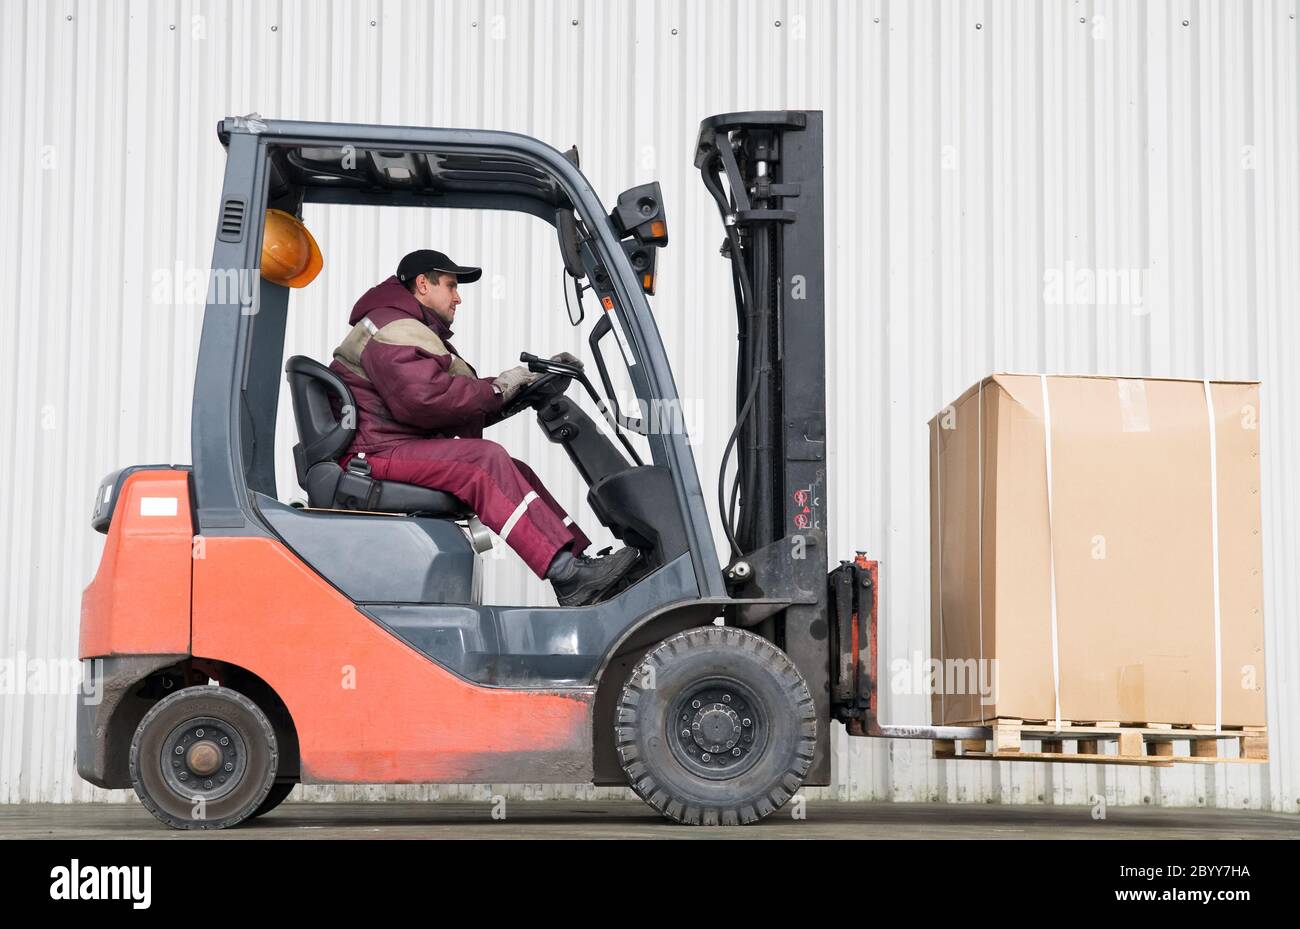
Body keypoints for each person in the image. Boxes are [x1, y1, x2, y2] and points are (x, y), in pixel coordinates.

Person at [328, 249, 640, 606]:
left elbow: (448, 402)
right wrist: (496, 389)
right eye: (451, 286)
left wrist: (515, 386)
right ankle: (569, 576)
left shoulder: (405, 326)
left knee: (512, 469)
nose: (458, 297)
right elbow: (424, 400)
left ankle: (580, 566)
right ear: (423, 284)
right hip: (374, 451)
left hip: (391, 442)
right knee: (483, 461)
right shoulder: (392, 327)